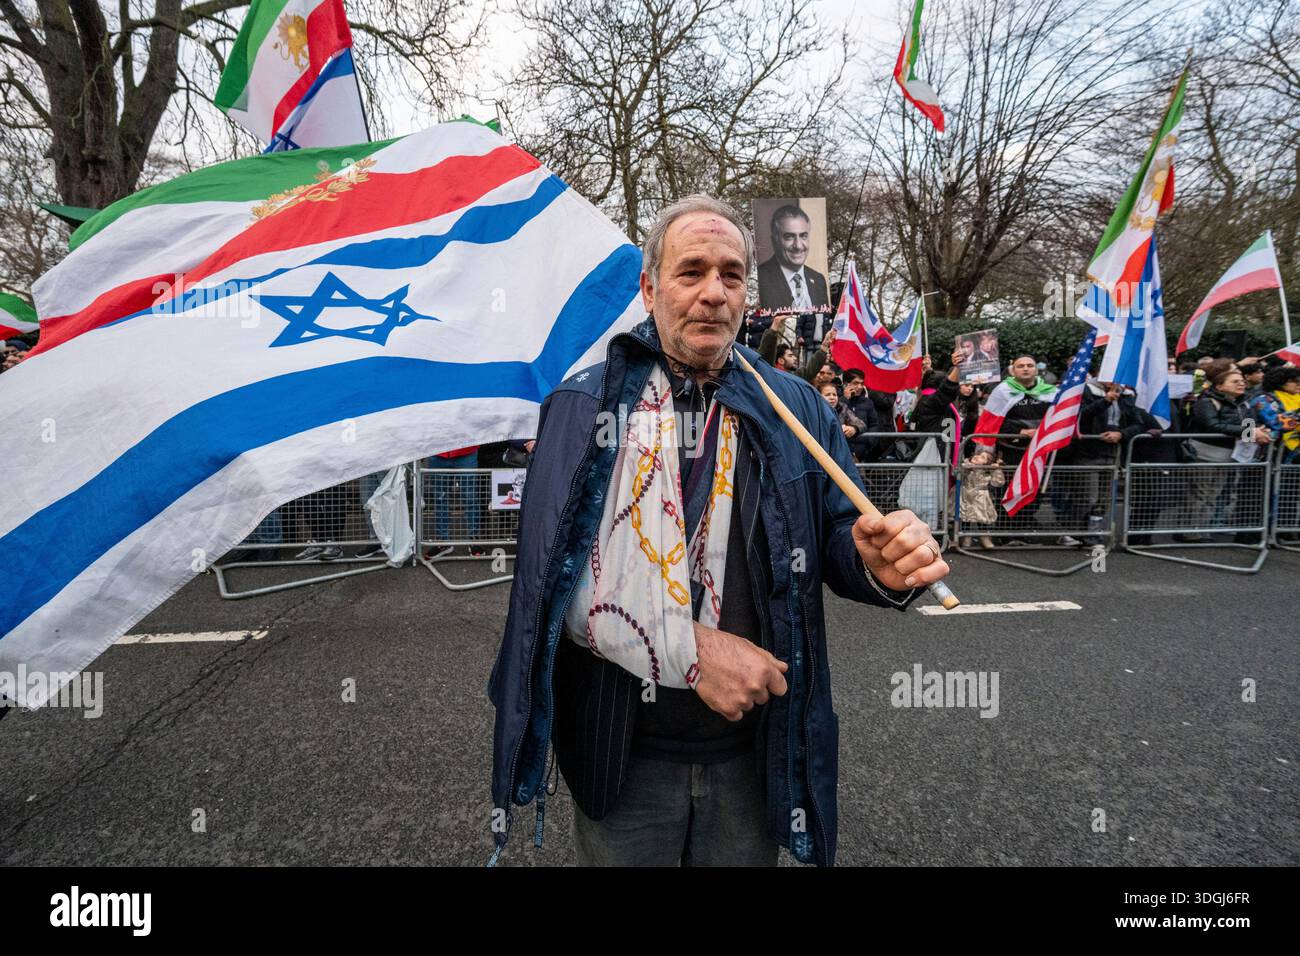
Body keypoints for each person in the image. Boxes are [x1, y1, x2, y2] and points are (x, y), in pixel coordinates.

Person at [487, 195, 949, 868]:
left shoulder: (795, 409)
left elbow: (839, 539)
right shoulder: (583, 406)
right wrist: (687, 650)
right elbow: (549, 583)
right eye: (691, 271)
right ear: (650, 288)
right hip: (622, 754)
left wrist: (875, 564)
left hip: (755, 752)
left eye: (731, 275)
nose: (713, 293)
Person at [1174, 366, 1271, 542]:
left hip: (1229, 455)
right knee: (1199, 493)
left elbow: (1250, 422)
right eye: (1235, 381)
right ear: (1219, 386)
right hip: (1205, 453)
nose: (1241, 384)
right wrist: (1250, 432)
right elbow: (1212, 425)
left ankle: (1203, 529)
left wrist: (1258, 432)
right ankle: (1188, 531)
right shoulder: (1206, 401)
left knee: (1214, 493)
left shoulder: (1245, 402)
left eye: (1241, 381)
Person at [756, 205, 829, 313]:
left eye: (803, 236)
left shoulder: (818, 280)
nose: (798, 246)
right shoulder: (761, 278)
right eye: (789, 237)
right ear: (774, 240)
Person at [958, 447, 1003, 549]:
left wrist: (997, 470)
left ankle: (985, 537)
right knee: (966, 517)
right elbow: (960, 472)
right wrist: (969, 464)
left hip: (981, 497)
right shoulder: (968, 468)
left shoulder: (987, 471)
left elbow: (998, 482)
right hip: (967, 495)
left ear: (987, 463)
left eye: (983, 457)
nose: (977, 457)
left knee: (982, 517)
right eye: (977, 455)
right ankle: (966, 537)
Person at [819, 381, 870, 461]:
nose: (832, 397)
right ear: (818, 397)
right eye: (827, 395)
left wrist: (854, 429)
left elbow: (861, 424)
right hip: (820, 453)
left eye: (834, 395)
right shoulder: (813, 410)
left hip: (841, 453)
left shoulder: (842, 407)